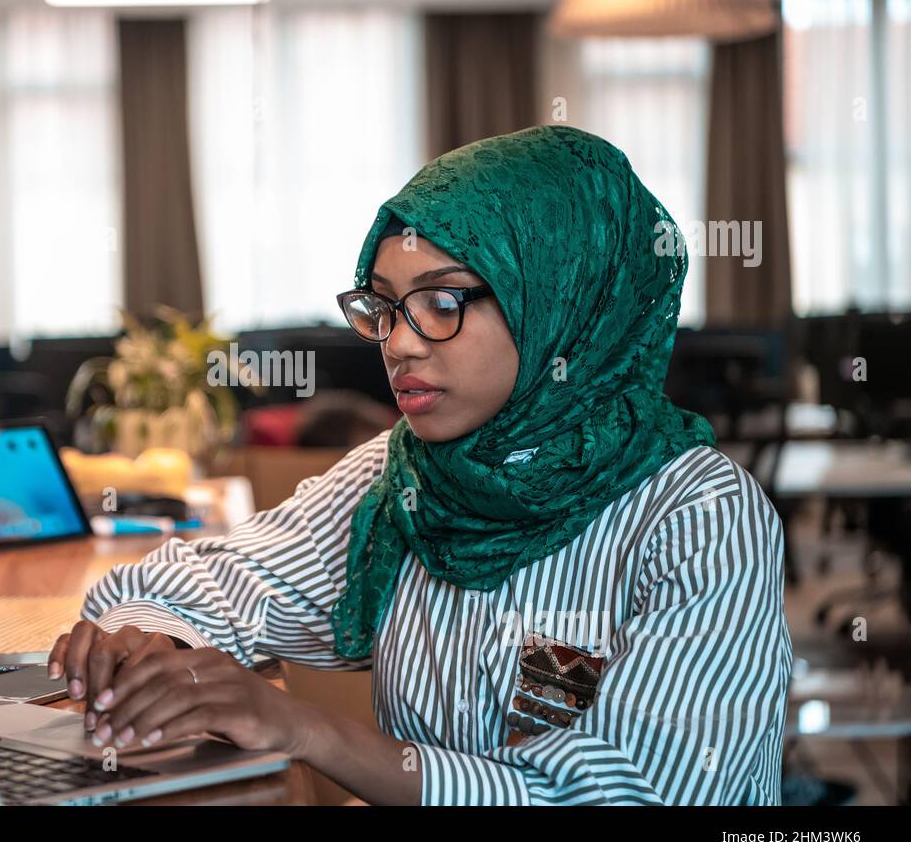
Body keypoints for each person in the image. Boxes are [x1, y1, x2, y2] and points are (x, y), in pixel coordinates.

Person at [48, 124, 793, 805]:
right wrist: (145, 647)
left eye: (440, 302)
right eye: (383, 306)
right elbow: (206, 581)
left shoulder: (700, 517)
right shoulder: (407, 476)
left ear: (559, 303)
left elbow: (634, 795)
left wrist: (310, 731)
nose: (398, 344)